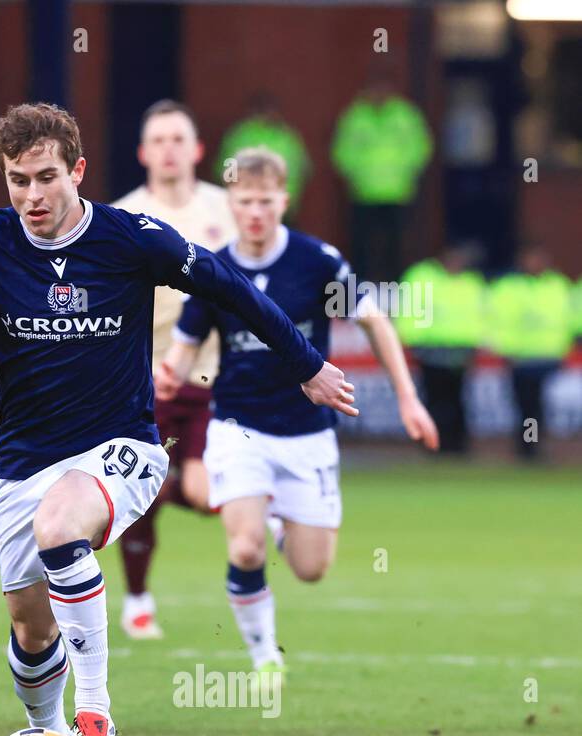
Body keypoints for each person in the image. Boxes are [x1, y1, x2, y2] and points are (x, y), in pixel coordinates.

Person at [0, 105, 356, 736]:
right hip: (23, 463)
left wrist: (307, 365)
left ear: (78, 170)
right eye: (18, 180)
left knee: (60, 523)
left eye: (46, 178)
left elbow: (233, 290)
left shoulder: (133, 239)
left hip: (121, 447)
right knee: (30, 632)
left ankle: (94, 708)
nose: (32, 196)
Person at [158, 148, 438, 676]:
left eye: (265, 201)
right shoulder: (213, 268)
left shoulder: (317, 262)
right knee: (244, 548)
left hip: (307, 433)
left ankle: (281, 524)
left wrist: (407, 396)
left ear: (284, 200)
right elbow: (184, 347)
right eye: (245, 201)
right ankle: (265, 656)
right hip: (237, 427)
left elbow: (375, 322)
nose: (256, 212)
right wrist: (170, 373)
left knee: (311, 569)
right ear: (232, 204)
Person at [111, 99, 237, 640]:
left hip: (215, 378)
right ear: (143, 152)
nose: (168, 149)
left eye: (178, 139)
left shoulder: (229, 209)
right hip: (147, 379)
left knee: (210, 492)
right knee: (142, 496)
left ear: (197, 149)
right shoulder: (120, 216)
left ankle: (198, 485)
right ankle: (138, 600)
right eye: (158, 140)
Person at [331, 76, 432, 283]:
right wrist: (354, 174)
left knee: (395, 245)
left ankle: (394, 284)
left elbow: (421, 147)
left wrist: (407, 171)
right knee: (361, 245)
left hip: (398, 191)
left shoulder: (406, 115)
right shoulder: (356, 116)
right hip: (364, 191)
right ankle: (361, 286)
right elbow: (342, 150)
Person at [487, 244, 574, 462]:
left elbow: (568, 319)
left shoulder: (558, 285)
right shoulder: (509, 287)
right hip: (520, 358)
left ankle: (533, 445)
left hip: (549, 358)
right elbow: (496, 320)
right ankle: (528, 446)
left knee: (540, 407)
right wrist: (505, 350)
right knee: (526, 407)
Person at [397, 244, 486, 454]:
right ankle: (431, 444)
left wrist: (475, 346)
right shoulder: (421, 276)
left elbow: (480, 316)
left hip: (461, 351)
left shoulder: (471, 282)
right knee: (433, 400)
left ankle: (457, 446)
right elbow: (408, 311)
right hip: (430, 349)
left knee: (458, 400)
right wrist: (412, 343)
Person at [214, 93, 311, 216]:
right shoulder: (241, 135)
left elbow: (303, 169)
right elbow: (228, 172)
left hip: (279, 205)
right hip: (256, 206)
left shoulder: (287, 136)